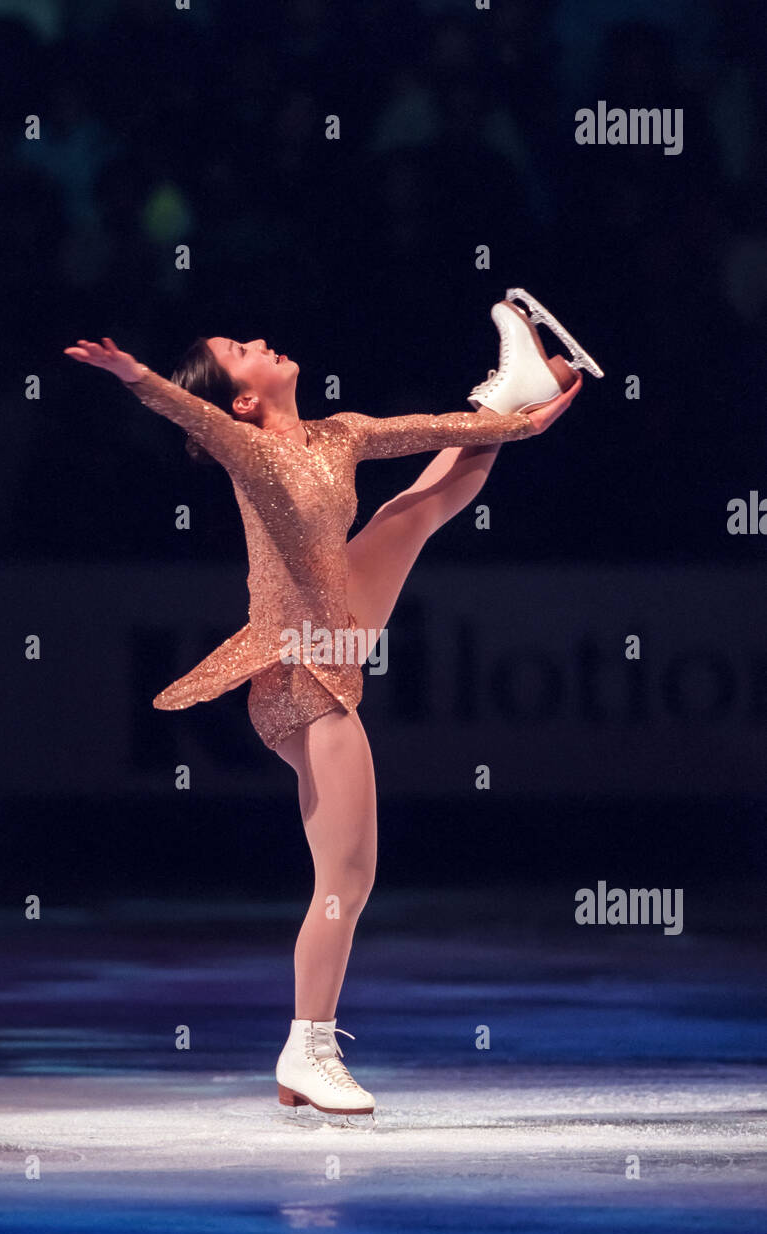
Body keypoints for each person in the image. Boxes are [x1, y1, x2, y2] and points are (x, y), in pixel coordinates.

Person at [64, 292, 594, 1118]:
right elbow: (190, 417)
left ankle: (508, 383)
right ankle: (308, 1045)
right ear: (241, 399)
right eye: (242, 347)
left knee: (416, 509)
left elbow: (431, 434)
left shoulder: (339, 434)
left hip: (337, 633)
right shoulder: (246, 447)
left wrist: (520, 421)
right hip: (294, 672)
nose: (262, 338)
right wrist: (136, 374)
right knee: (347, 875)